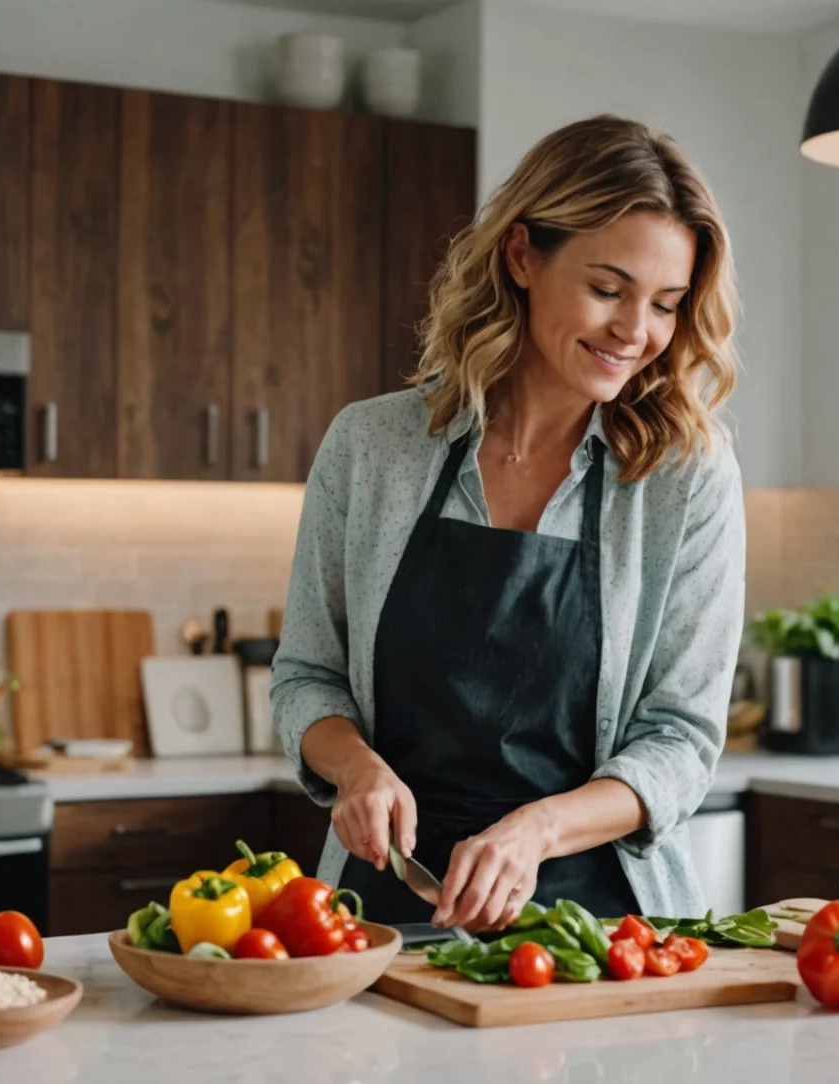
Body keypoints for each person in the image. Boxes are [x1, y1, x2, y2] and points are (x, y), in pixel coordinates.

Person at [272, 114, 745, 933]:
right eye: (608, 289)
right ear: (522, 256)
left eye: (666, 305)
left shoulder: (685, 475)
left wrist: (535, 831)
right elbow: (306, 675)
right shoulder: (372, 446)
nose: (636, 333)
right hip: (382, 910)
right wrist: (355, 772)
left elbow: (681, 742)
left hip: (603, 928)